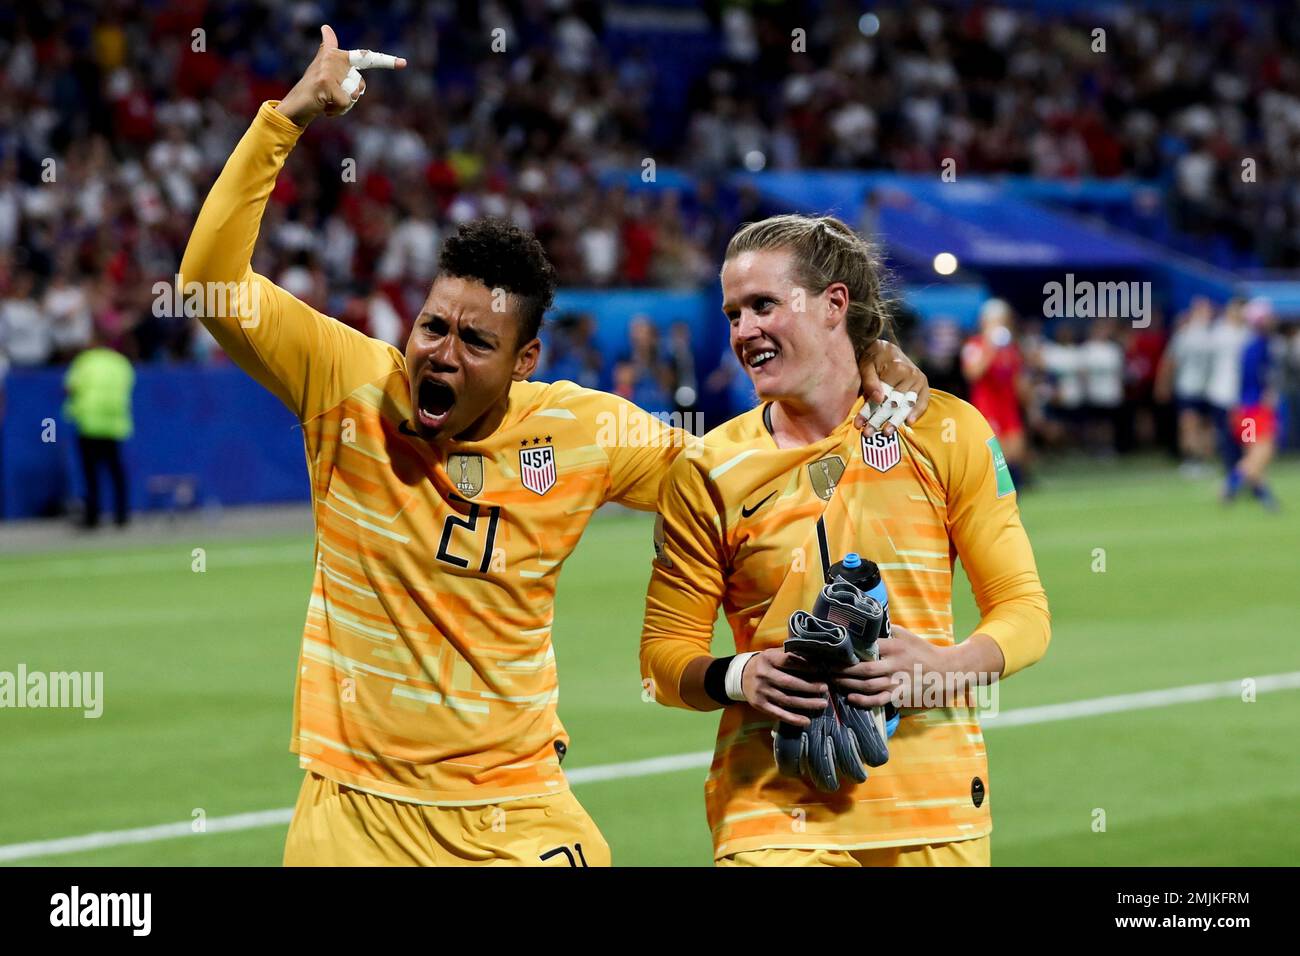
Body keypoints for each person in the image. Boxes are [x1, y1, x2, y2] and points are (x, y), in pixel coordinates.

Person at [179, 27, 931, 867]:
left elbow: (729, 478)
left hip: (520, 804)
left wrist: (855, 368)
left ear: (523, 361)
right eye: (433, 326)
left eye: (474, 341)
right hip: (356, 812)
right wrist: (288, 118)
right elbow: (208, 281)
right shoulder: (348, 384)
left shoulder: (582, 429)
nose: (439, 352)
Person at [640, 214, 1050, 866]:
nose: (743, 331)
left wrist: (948, 668)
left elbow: (1026, 612)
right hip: (770, 810)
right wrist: (741, 674)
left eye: (763, 305)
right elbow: (664, 660)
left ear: (834, 304)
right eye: (733, 313)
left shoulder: (948, 433)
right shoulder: (707, 467)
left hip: (934, 807)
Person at [64, 336, 135, 529]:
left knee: (91, 472)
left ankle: (93, 517)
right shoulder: (121, 363)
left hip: (90, 421)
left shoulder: (85, 361)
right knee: (116, 470)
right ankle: (122, 515)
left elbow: (70, 388)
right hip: (114, 421)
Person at [961, 298, 1030, 486]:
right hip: (987, 408)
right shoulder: (974, 345)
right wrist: (990, 348)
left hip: (1008, 408)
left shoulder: (1011, 349)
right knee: (995, 459)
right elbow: (972, 373)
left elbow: (1018, 381)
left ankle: (1013, 505)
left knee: (1016, 455)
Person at [1224, 298, 1283, 509]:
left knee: (1252, 454)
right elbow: (1260, 379)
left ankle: (1263, 495)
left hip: (1246, 409)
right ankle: (1232, 483)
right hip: (1256, 410)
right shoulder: (1260, 346)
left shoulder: (1249, 345)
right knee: (1263, 452)